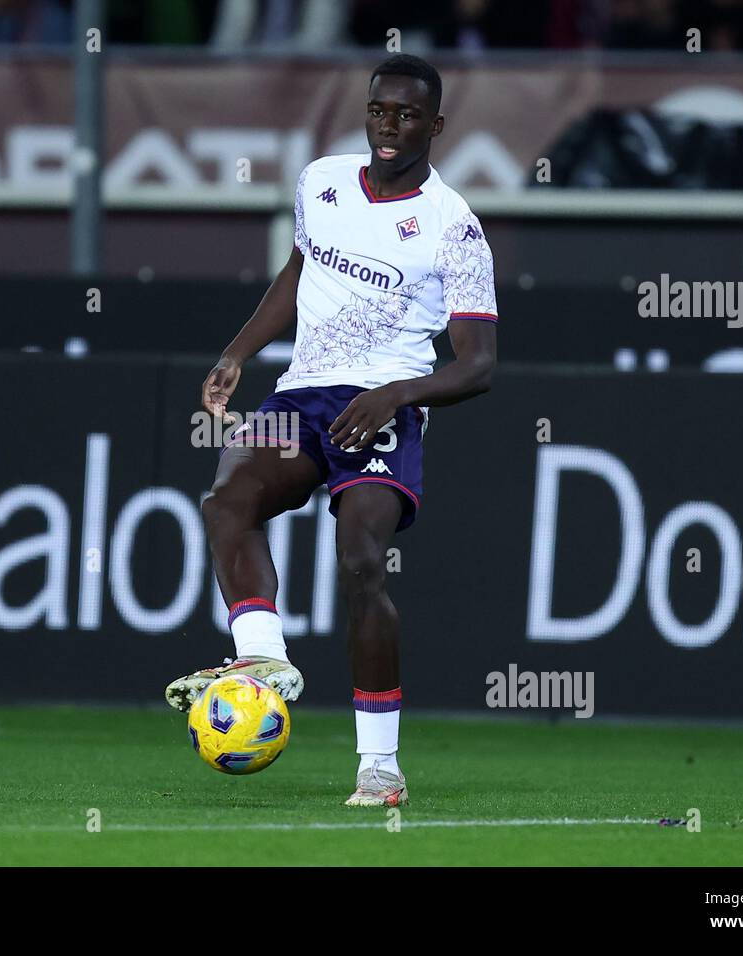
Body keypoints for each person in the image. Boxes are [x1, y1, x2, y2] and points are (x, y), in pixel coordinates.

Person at [165, 54, 498, 807]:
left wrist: (396, 393)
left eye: (408, 115)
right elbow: (298, 273)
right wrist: (238, 352)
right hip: (302, 397)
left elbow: (478, 366)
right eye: (380, 110)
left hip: (384, 407)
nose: (390, 126)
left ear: (435, 126)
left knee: (360, 563)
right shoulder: (320, 181)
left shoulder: (455, 228)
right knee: (227, 502)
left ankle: (379, 766)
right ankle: (262, 661)